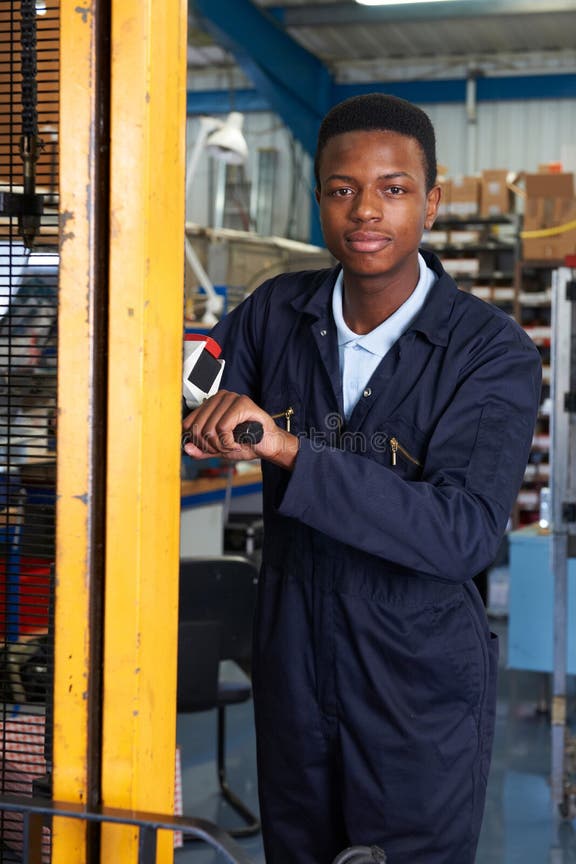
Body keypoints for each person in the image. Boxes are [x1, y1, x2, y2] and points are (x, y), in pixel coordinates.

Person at [182, 93, 542, 864]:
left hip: (413, 685)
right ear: (320, 201)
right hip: (294, 666)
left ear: (433, 202)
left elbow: (462, 533)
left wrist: (285, 451)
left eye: (394, 188)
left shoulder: (490, 353)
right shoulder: (277, 310)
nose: (366, 212)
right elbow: (188, 392)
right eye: (343, 190)